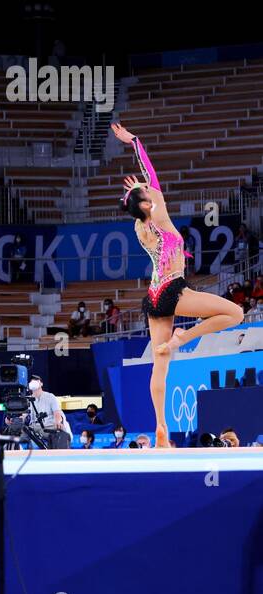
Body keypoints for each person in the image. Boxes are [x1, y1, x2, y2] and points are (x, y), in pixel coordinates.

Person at [113, 123, 244, 448]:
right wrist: (135, 142)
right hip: (173, 289)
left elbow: (142, 189)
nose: (147, 186)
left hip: (154, 295)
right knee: (236, 313)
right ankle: (182, 337)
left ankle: (160, 428)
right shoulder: (157, 212)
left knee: (161, 367)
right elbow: (150, 171)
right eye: (144, 190)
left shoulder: (140, 227)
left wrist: (135, 195)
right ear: (146, 202)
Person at [27, 375, 70, 448]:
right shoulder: (27, 400)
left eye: (36, 381)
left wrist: (58, 421)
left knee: (61, 433)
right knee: (14, 434)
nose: (34, 383)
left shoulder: (50, 396)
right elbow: (23, 415)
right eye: (32, 382)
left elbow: (57, 412)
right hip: (33, 427)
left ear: (41, 384)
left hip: (48, 426)